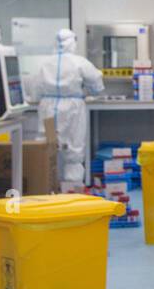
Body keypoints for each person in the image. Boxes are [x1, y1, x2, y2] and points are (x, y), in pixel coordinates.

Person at [33, 28, 104, 191]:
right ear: (73, 43)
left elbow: (34, 89)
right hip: (72, 108)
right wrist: (90, 91)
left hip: (48, 109)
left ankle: (47, 189)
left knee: (48, 149)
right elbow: (97, 83)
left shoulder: (44, 63)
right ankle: (72, 191)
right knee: (74, 151)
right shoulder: (79, 62)